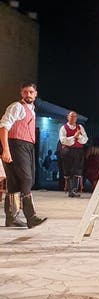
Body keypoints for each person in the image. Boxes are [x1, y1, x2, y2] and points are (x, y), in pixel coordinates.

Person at [0, 83, 46, 228]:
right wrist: (6, 149)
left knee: (14, 182)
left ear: (36, 94)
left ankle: (11, 218)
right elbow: (3, 126)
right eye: (25, 92)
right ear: (21, 93)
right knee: (27, 178)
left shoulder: (31, 110)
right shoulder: (17, 107)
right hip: (16, 144)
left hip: (26, 146)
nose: (28, 95)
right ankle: (30, 216)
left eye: (31, 92)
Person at [58, 111, 88, 197]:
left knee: (77, 170)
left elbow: (85, 139)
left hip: (78, 151)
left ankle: (74, 189)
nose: (73, 118)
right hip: (67, 151)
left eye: (75, 116)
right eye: (71, 116)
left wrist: (79, 137)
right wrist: (73, 137)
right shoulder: (63, 128)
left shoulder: (80, 127)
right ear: (68, 117)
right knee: (69, 170)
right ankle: (70, 189)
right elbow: (63, 140)